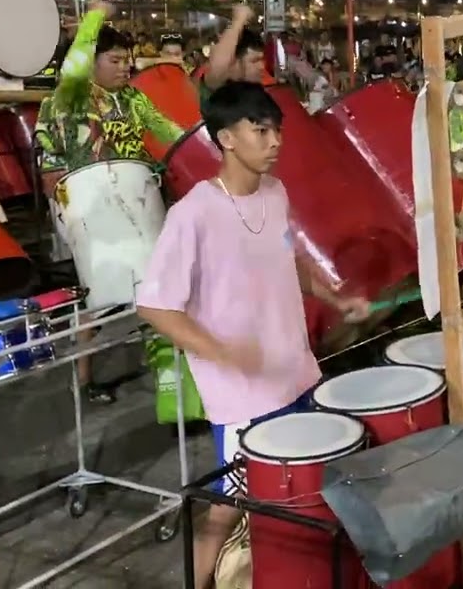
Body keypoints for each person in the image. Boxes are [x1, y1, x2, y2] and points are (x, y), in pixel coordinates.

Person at [135, 81, 370, 589]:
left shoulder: (275, 192)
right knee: (227, 507)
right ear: (226, 138)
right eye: (260, 131)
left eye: (277, 131)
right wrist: (219, 351)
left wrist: (334, 297)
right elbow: (154, 305)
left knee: (304, 498)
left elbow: (289, 255)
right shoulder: (193, 214)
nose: (275, 141)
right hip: (244, 398)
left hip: (297, 375)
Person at [36, 1, 185, 404]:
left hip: (137, 201)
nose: (125, 68)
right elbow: (50, 168)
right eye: (115, 60)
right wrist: (93, 19)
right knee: (97, 296)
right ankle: (83, 379)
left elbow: (171, 133)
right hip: (88, 205)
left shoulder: (134, 101)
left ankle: (170, 382)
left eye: (127, 61)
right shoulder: (69, 97)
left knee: (157, 287)